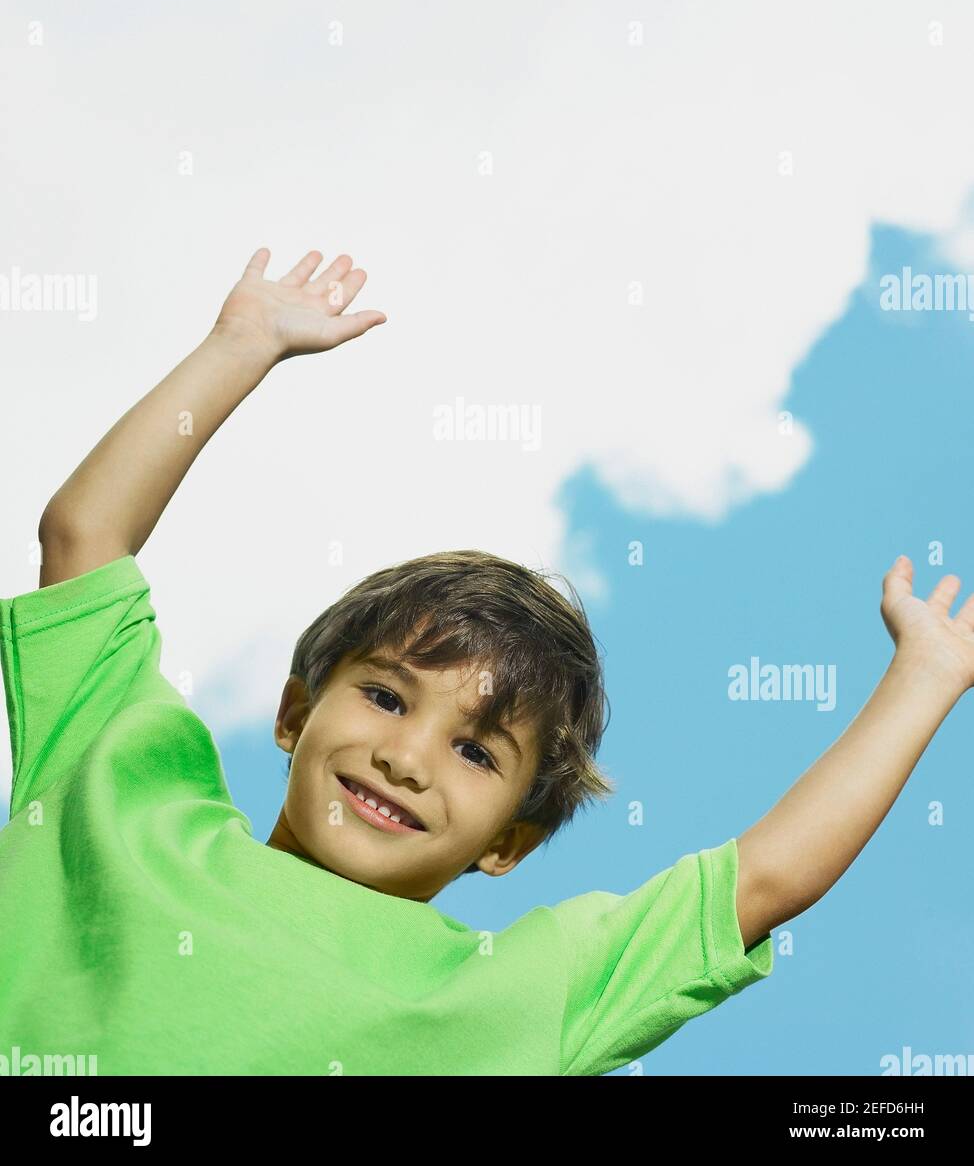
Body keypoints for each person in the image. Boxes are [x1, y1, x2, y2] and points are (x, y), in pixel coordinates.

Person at [2, 249, 969, 1075]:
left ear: (511, 843)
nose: (407, 758)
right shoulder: (131, 801)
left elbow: (760, 883)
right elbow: (84, 539)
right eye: (386, 696)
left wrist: (925, 676)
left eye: (477, 753)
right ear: (295, 711)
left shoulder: (520, 989)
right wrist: (240, 347)